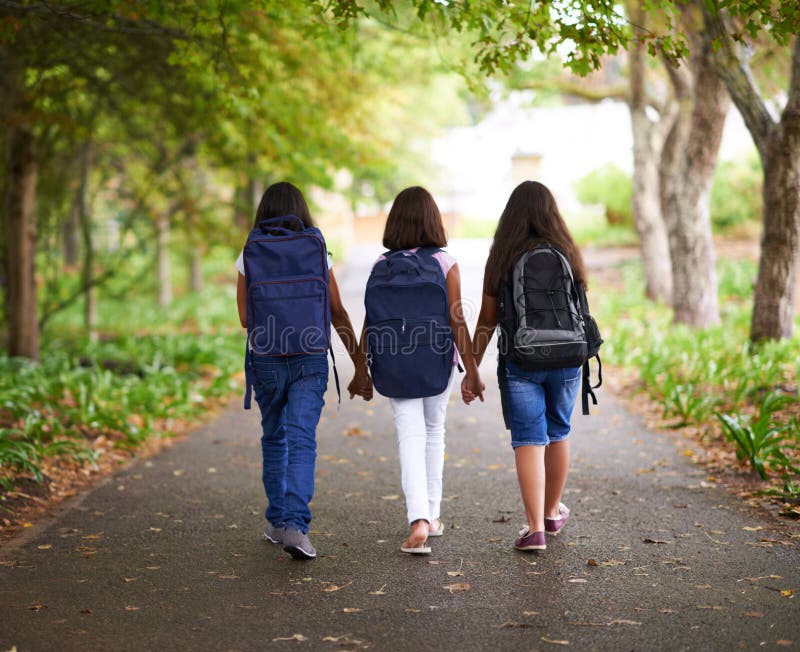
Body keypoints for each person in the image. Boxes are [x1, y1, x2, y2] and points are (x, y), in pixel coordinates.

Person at [236, 181, 372, 560]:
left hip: (266, 356)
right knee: (301, 440)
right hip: (310, 356)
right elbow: (338, 312)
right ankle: (296, 528)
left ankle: (278, 521)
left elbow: (246, 317)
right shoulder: (316, 250)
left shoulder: (249, 251)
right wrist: (359, 364)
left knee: (274, 438)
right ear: (302, 210)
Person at [464, 181, 588, 552]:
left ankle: (534, 530)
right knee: (559, 431)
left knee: (529, 439)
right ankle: (551, 513)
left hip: (521, 359)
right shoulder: (567, 250)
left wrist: (472, 369)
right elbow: (580, 309)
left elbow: (487, 319)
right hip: (567, 356)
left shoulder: (503, 255)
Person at [360, 186, 484, 554]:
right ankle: (432, 514)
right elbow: (457, 320)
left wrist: (361, 367)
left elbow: (371, 320)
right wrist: (472, 370)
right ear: (434, 221)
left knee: (409, 434)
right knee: (433, 431)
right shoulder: (445, 263)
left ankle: (419, 520)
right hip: (436, 361)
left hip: (393, 363)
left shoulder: (381, 265)